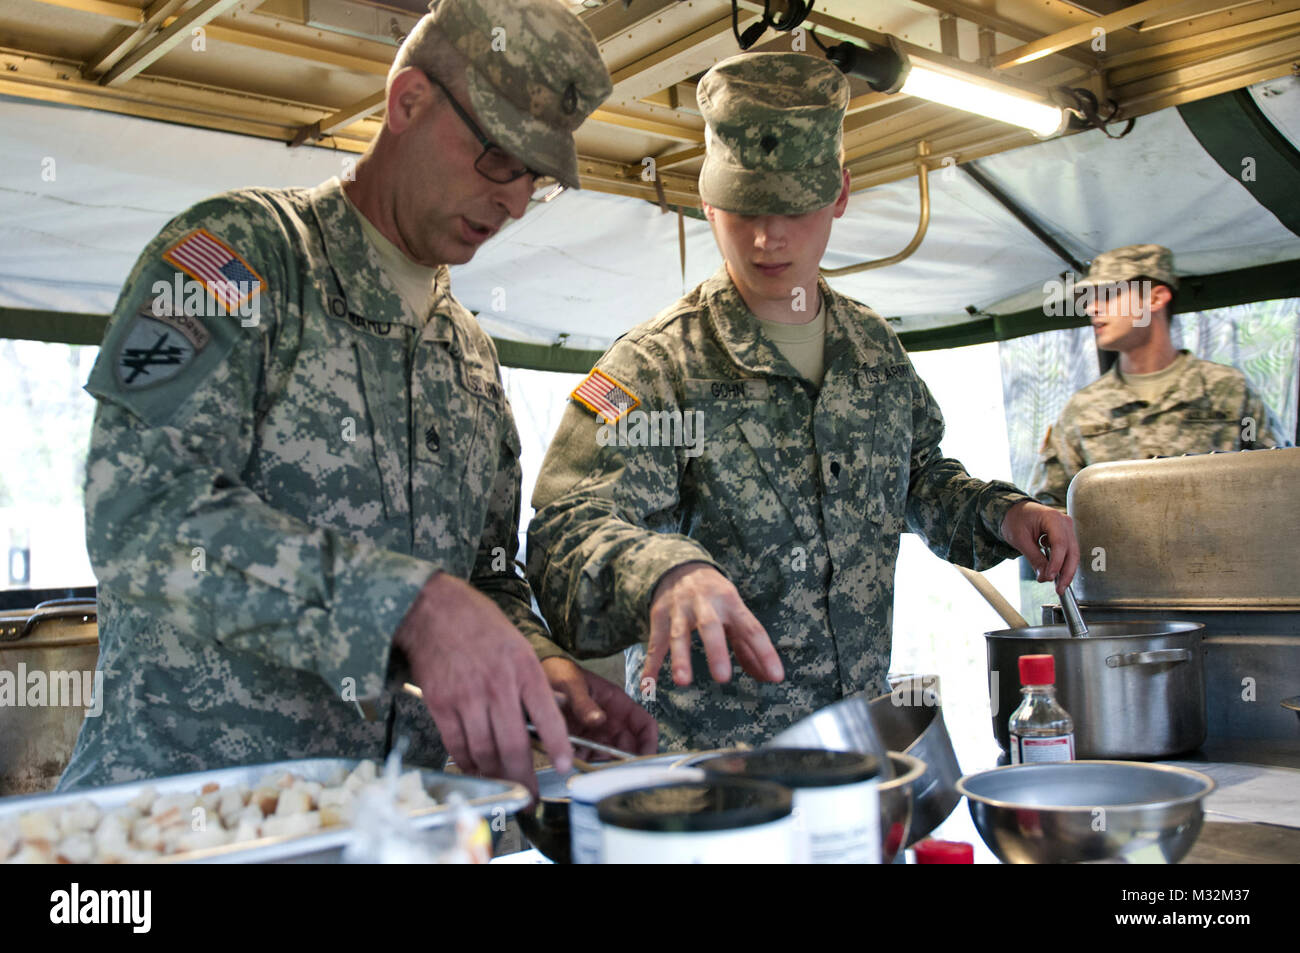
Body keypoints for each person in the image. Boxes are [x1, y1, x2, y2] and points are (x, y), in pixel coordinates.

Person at [61, 0, 656, 795]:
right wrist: (409, 605)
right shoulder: (240, 257)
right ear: (407, 101)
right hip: (186, 823)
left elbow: (483, 575)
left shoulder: (468, 356)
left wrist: (537, 665)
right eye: (498, 158)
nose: (515, 202)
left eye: (537, 179)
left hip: (385, 826)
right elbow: (136, 512)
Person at [526, 52, 1078, 751]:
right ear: (706, 197)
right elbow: (564, 532)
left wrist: (1008, 512)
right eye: (746, 208)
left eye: (793, 207)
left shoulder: (873, 352)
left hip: (860, 756)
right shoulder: (654, 367)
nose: (767, 238)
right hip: (716, 783)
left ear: (840, 193)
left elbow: (921, 482)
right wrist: (664, 568)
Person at [1029, 244, 1280, 509]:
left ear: (1155, 298)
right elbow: (1049, 510)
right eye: (1089, 297)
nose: (1092, 308)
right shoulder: (1082, 410)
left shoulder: (1229, 390)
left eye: (1107, 294)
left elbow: (1278, 483)